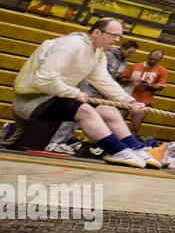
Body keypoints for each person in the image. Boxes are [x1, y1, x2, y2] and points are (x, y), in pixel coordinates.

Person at [8, 17, 152, 167]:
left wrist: (129, 101)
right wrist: (74, 93)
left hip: (56, 97)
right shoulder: (71, 45)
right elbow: (45, 80)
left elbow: (105, 82)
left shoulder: (97, 54)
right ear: (97, 32)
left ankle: (134, 148)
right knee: (84, 110)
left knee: (109, 110)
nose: (117, 40)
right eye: (113, 35)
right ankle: (118, 152)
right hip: (31, 101)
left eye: (119, 36)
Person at [123, 48, 168, 134]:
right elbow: (121, 78)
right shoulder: (136, 66)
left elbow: (161, 86)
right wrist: (130, 80)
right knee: (118, 122)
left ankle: (130, 145)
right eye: (152, 59)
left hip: (145, 100)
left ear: (160, 60)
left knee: (134, 126)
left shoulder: (162, 70)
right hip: (128, 97)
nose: (153, 61)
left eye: (156, 60)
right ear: (148, 56)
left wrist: (148, 86)